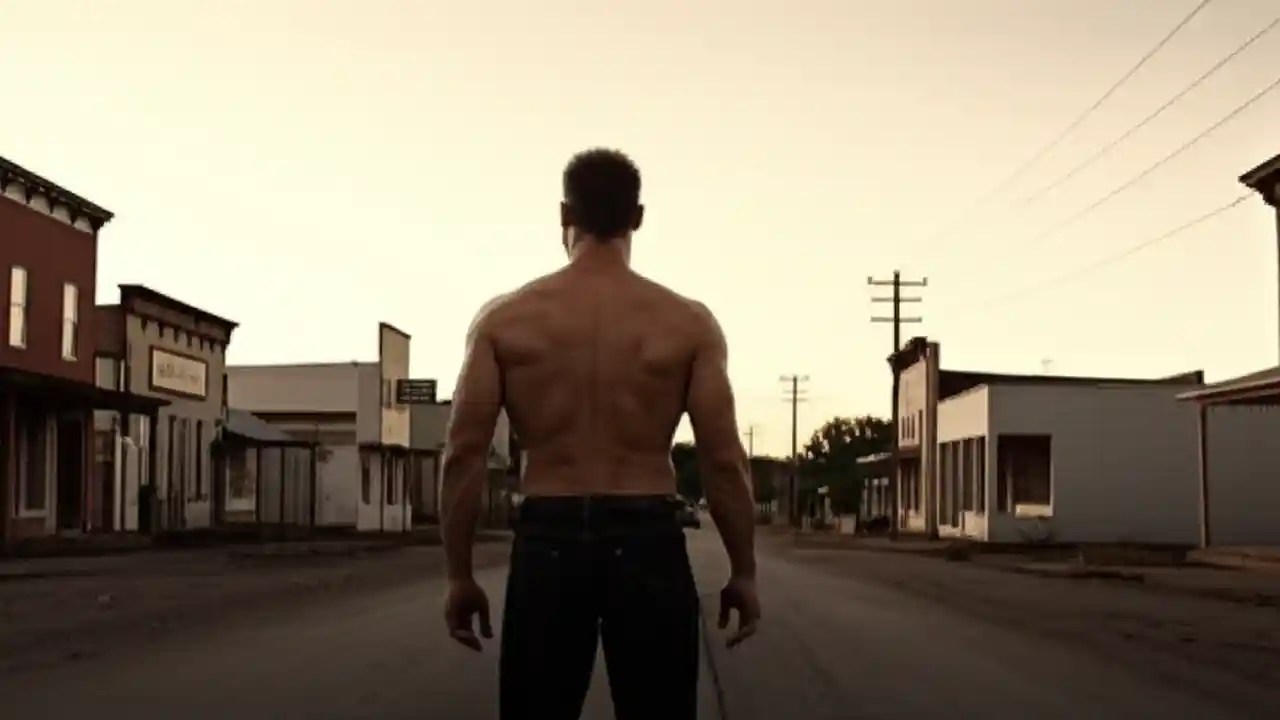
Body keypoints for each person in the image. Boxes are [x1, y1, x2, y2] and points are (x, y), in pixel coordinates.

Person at [439, 148, 760, 720]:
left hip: (549, 537)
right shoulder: (687, 323)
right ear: (638, 217)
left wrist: (459, 576)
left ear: (564, 213)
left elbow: (462, 454)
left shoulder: (504, 320)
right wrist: (744, 571)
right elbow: (724, 459)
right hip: (648, 538)